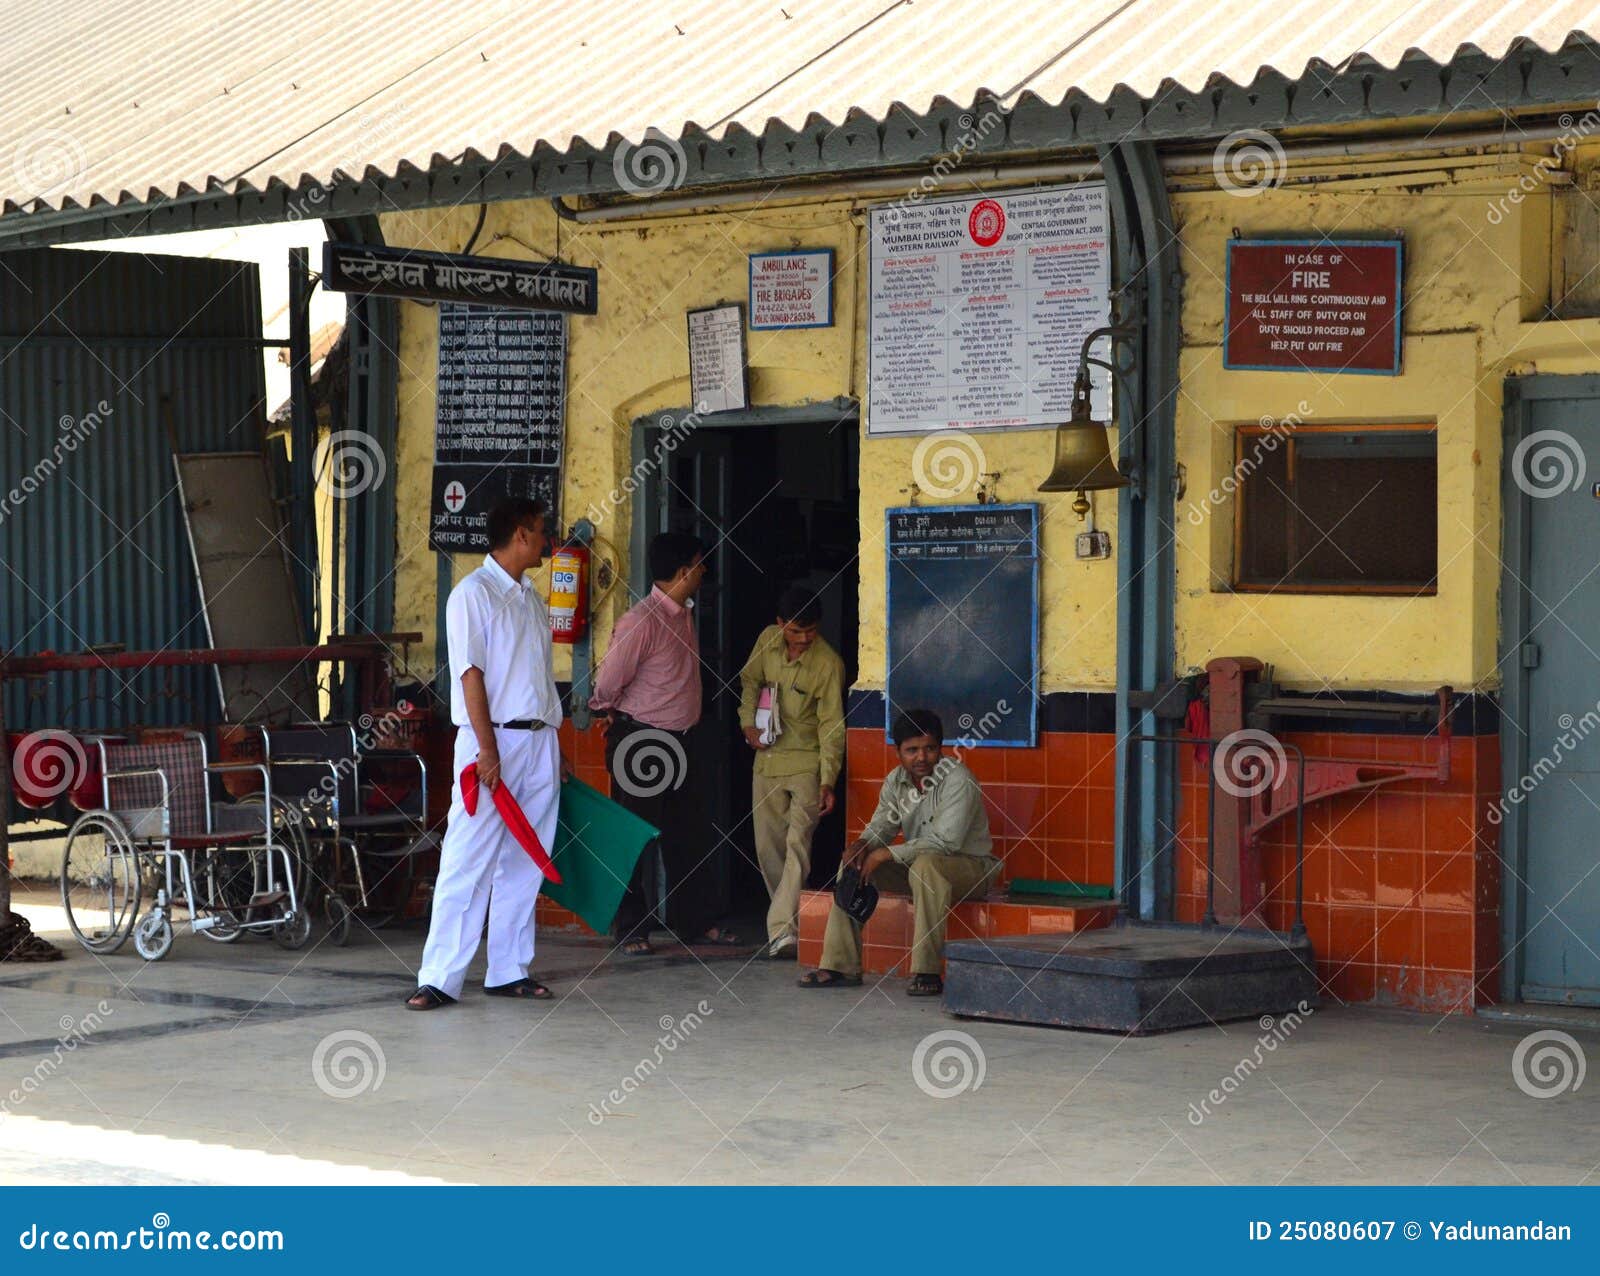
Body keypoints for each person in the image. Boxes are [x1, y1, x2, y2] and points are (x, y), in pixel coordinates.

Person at [409, 497, 565, 1010]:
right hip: (491, 740)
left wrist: (551, 746)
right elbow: (469, 674)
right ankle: (439, 976)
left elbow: (532, 678)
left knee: (525, 861)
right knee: (468, 856)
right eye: (541, 532)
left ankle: (508, 969)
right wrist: (489, 750)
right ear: (521, 535)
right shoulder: (471, 595)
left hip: (538, 740)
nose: (547, 540)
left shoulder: (531, 598)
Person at [590, 531, 739, 955]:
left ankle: (693, 922)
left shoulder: (682, 614)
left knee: (688, 835)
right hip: (643, 740)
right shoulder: (641, 621)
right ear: (682, 571)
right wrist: (609, 712)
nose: (704, 569)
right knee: (633, 836)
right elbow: (606, 682)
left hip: (684, 739)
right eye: (698, 562)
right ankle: (631, 928)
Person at [799, 708, 996, 997]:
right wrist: (863, 845)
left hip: (972, 870)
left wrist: (884, 854)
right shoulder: (896, 780)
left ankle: (927, 971)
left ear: (940, 749)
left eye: (929, 749)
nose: (921, 757)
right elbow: (882, 825)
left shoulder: (958, 779)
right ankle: (840, 966)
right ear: (898, 752)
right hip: (921, 868)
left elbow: (946, 843)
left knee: (926, 866)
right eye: (912, 750)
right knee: (854, 862)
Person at [738, 585, 846, 959]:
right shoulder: (767, 640)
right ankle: (785, 923)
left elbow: (832, 725)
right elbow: (750, 681)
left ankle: (782, 930)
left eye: (810, 632)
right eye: (795, 631)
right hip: (766, 762)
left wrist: (828, 778)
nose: (802, 640)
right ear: (780, 624)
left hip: (806, 766)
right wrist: (747, 723)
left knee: (799, 845)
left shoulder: (829, 664)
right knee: (768, 849)